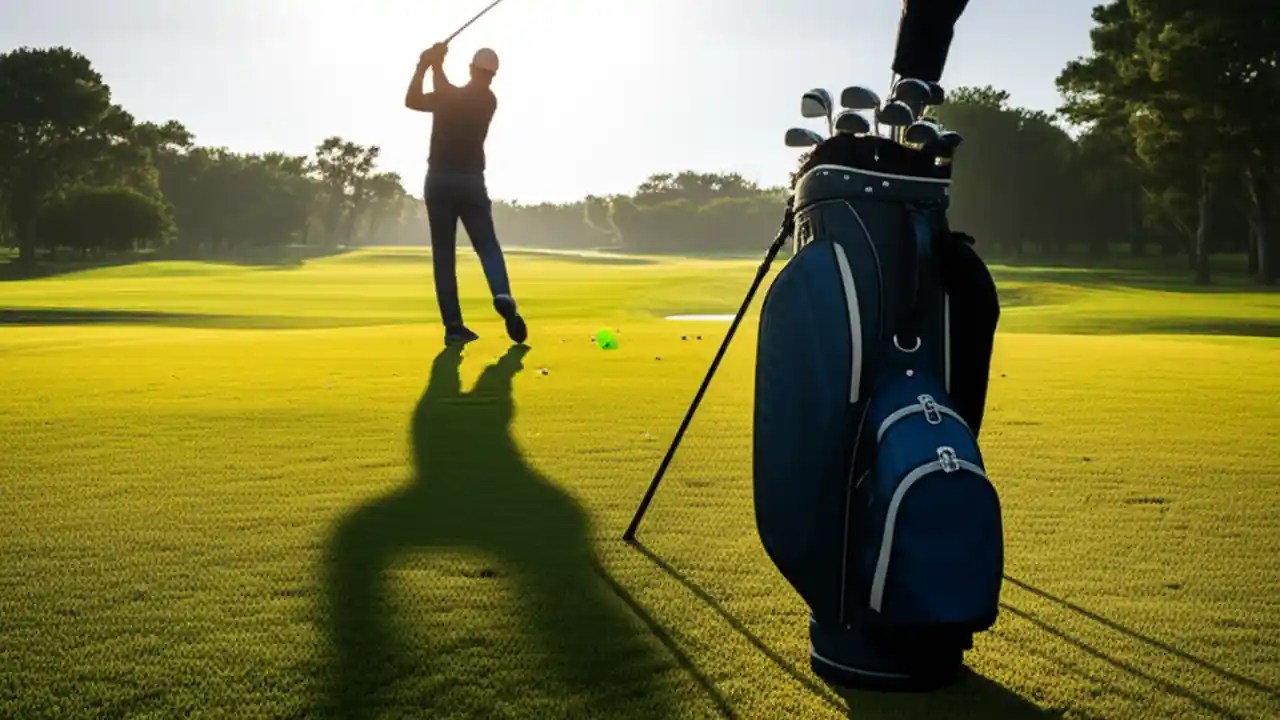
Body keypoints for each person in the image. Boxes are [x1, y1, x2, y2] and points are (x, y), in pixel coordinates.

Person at [405, 42, 527, 346]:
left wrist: (427, 64)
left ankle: (454, 327)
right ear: (492, 75)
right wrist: (432, 65)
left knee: (444, 256)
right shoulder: (488, 100)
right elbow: (440, 94)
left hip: (439, 181)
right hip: (470, 181)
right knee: (487, 245)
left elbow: (412, 100)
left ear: (471, 69)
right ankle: (501, 294)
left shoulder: (457, 96)